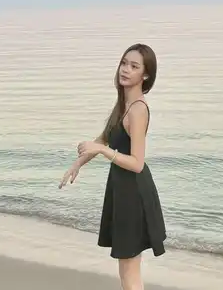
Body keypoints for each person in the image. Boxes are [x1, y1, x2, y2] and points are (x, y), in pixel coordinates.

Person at [59, 43, 166, 290]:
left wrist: (103, 151)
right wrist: (78, 163)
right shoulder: (123, 104)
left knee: (129, 270)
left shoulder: (138, 110)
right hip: (122, 190)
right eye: (124, 63)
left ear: (145, 75)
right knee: (125, 268)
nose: (125, 69)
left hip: (134, 193)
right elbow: (104, 139)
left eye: (134, 66)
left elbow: (137, 163)